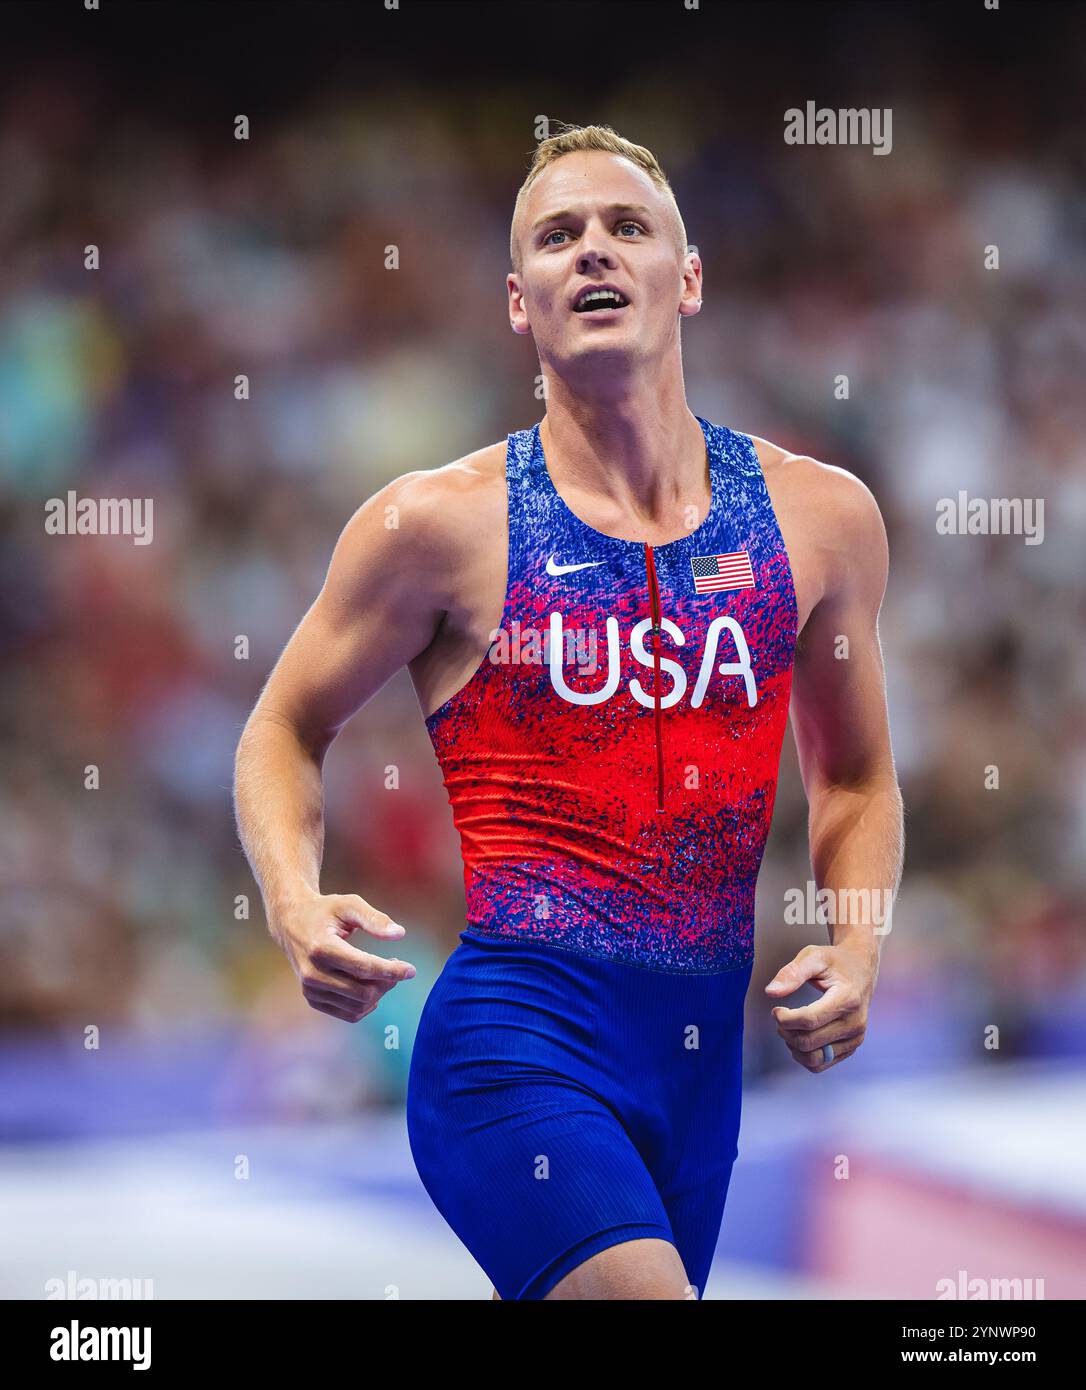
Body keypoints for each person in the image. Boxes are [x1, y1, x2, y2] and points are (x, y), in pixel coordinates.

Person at [233, 123, 904, 1301]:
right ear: (517, 299)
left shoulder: (821, 519)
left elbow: (852, 774)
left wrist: (857, 944)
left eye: (626, 226)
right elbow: (284, 727)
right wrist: (293, 902)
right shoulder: (439, 525)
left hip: (700, 1068)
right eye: (559, 236)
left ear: (686, 278)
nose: (593, 251)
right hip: (514, 1039)